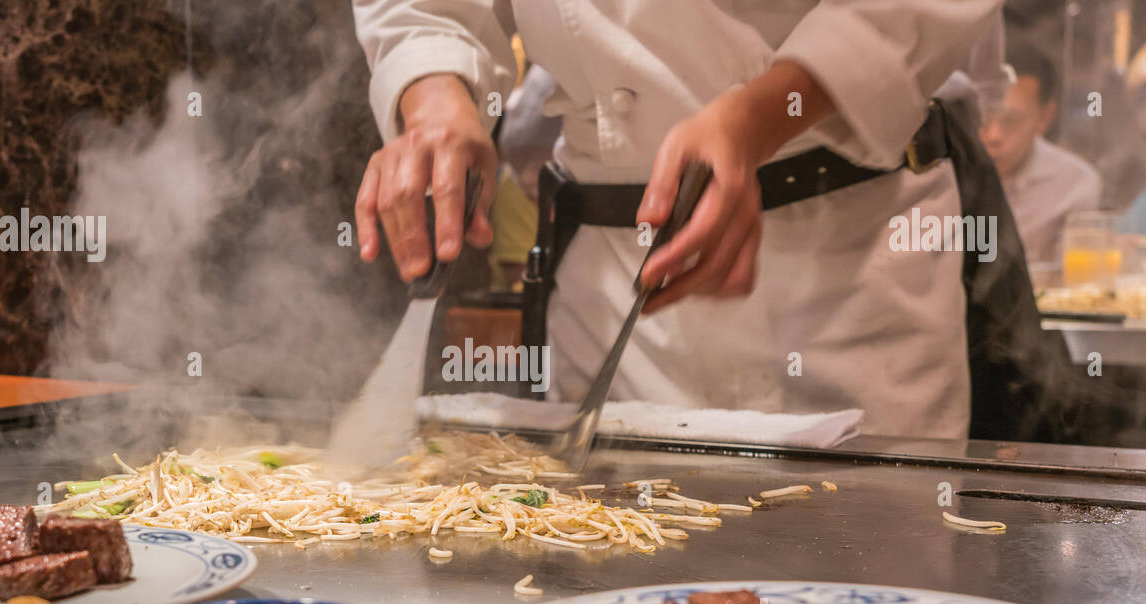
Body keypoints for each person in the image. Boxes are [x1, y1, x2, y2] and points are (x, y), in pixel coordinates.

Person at [350, 1, 1014, 441]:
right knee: (610, 599)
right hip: (611, 287)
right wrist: (435, 93)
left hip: (847, 264)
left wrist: (759, 117)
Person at [980, 39, 1102, 267]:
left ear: (1045, 117)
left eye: (1012, 121)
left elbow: (1077, 284)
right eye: (983, 117)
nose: (994, 135)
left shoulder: (1075, 183)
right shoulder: (942, 169)